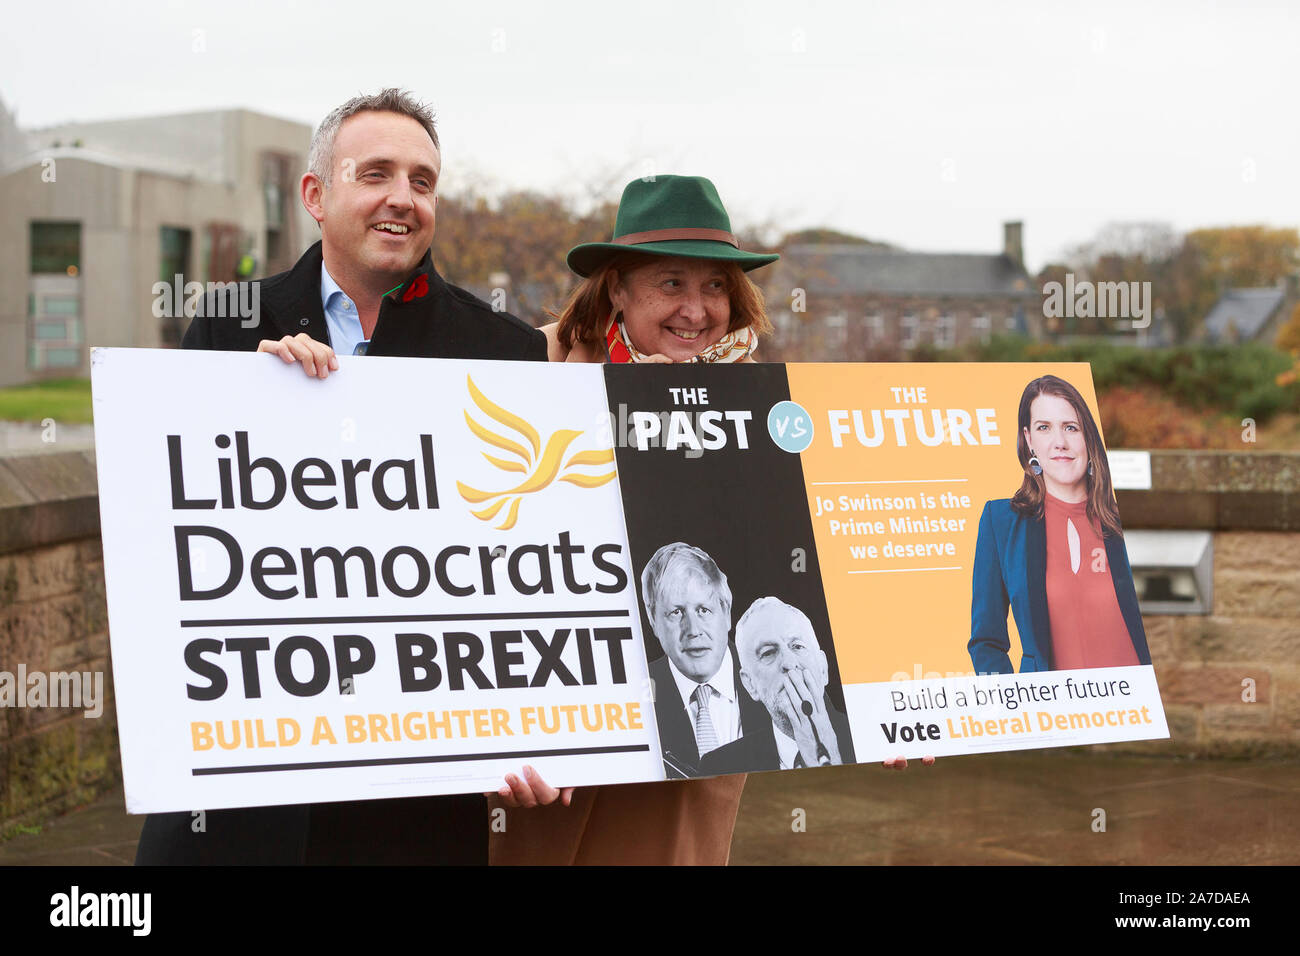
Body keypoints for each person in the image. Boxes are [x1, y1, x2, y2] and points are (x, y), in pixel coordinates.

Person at [136, 89, 549, 866]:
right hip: (240, 797)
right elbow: (163, 545)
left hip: (415, 804)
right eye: (378, 174)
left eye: (423, 182)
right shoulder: (226, 328)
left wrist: (538, 729)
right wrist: (239, 414)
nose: (403, 198)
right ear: (317, 195)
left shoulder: (503, 352)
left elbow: (525, 570)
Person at [489, 175, 924, 866]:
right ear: (617, 288)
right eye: (670, 283)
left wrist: (875, 708)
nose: (697, 309)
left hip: (693, 741)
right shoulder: (522, 366)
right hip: (554, 729)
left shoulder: (758, 406)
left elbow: (804, 559)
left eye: (715, 286)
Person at [968, 374, 1152, 674]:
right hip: (1051, 716)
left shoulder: (1125, 515)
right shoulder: (1000, 522)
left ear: (1088, 437)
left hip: (1135, 711)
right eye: (1044, 428)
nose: (1060, 443)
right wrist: (1012, 712)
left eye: (1071, 427)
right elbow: (987, 642)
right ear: (1029, 440)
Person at [640, 543, 770, 775]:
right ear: (653, 620)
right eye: (676, 612)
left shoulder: (777, 678)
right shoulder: (634, 696)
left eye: (703, 610)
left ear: (727, 612)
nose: (693, 630)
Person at [700, 597, 856, 774]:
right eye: (768, 653)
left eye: (797, 646)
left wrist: (830, 760)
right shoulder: (720, 768)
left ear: (823, 669)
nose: (789, 662)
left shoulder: (875, 737)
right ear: (750, 684)